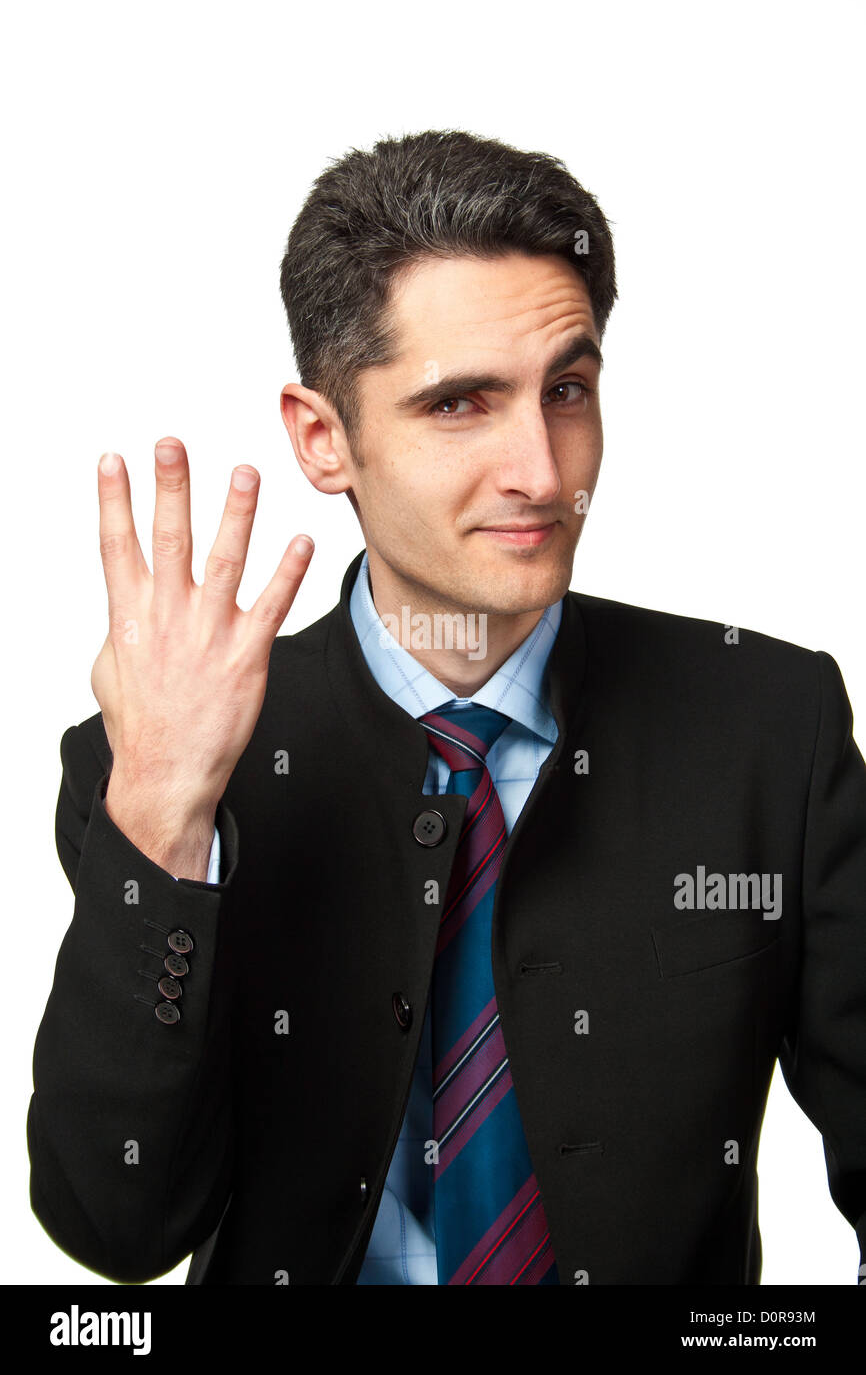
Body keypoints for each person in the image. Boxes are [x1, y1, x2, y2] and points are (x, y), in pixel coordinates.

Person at [27, 129, 866, 1286]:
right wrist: (165, 819)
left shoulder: (772, 725)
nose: (541, 468)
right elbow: (115, 1224)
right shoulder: (158, 755)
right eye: (461, 404)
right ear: (325, 438)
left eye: (564, 390)